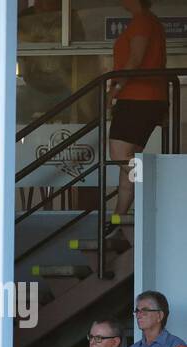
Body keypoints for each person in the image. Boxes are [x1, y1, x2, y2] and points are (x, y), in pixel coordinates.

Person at [107, 0, 168, 238]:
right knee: (128, 162)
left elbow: (135, 58)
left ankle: (154, 184)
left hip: (137, 98)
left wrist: (116, 88)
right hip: (146, 99)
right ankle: (118, 219)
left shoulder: (143, 21)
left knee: (120, 155)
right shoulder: (148, 21)